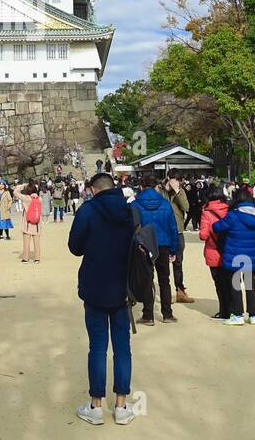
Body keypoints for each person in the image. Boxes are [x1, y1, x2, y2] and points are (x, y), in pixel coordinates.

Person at [68, 172, 138, 425]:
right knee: (122, 348)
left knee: (97, 346)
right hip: (123, 287)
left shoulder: (88, 211)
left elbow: (74, 247)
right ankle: (121, 405)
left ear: (93, 189)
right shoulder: (130, 211)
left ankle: (96, 405)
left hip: (95, 285)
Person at [211, 187, 255, 325]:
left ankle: (238, 315)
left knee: (235, 284)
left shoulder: (233, 215)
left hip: (235, 253)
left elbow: (217, 227)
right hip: (252, 253)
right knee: (250, 285)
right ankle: (252, 315)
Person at [133, 176, 179, 323]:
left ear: (141, 186)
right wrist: (174, 249)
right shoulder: (165, 204)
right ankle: (167, 314)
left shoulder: (135, 205)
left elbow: (132, 227)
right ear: (156, 187)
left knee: (147, 279)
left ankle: (148, 315)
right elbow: (173, 228)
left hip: (145, 246)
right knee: (164, 279)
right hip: (163, 245)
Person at [199, 185, 231, 320]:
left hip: (213, 252)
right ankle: (234, 309)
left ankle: (223, 311)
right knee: (230, 283)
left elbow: (203, 235)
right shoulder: (229, 210)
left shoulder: (206, 212)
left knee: (219, 284)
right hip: (229, 251)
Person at [163, 170, 193, 303]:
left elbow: (186, 207)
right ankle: (166, 295)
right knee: (162, 263)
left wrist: (177, 192)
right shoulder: (160, 190)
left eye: (178, 180)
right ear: (168, 178)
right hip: (164, 231)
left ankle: (180, 291)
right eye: (173, 179)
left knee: (178, 262)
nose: (176, 182)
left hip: (178, 231)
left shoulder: (181, 191)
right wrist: (167, 190)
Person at [19, 182, 42, 263]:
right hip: (37, 225)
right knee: (37, 243)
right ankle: (37, 259)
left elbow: (15, 192)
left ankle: (25, 258)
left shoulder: (26, 198)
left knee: (26, 243)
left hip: (27, 224)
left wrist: (23, 185)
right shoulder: (39, 199)